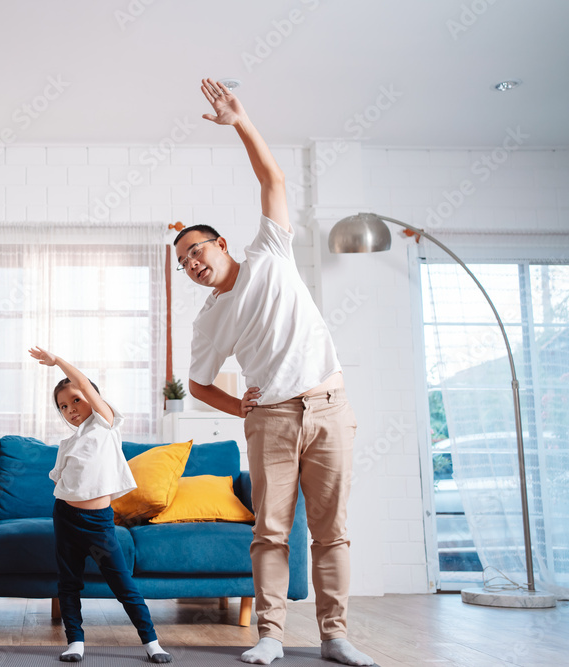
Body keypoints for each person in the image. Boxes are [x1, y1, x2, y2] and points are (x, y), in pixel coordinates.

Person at [172, 79, 374, 666]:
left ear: (222, 244)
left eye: (197, 251)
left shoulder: (269, 253)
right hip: (272, 423)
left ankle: (335, 637)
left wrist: (240, 120)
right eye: (183, 262)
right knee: (272, 533)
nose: (191, 263)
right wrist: (242, 409)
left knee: (332, 533)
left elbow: (273, 181)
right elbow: (200, 382)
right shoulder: (210, 319)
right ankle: (270, 636)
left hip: (331, 407)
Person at [28, 346, 173, 664]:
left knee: (122, 582)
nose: (71, 409)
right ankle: (75, 641)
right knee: (68, 583)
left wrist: (59, 362)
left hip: (97, 523)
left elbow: (83, 384)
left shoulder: (105, 426)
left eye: (76, 400)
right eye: (63, 406)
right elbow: (61, 480)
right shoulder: (69, 442)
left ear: (92, 398)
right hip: (65, 517)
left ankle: (151, 642)